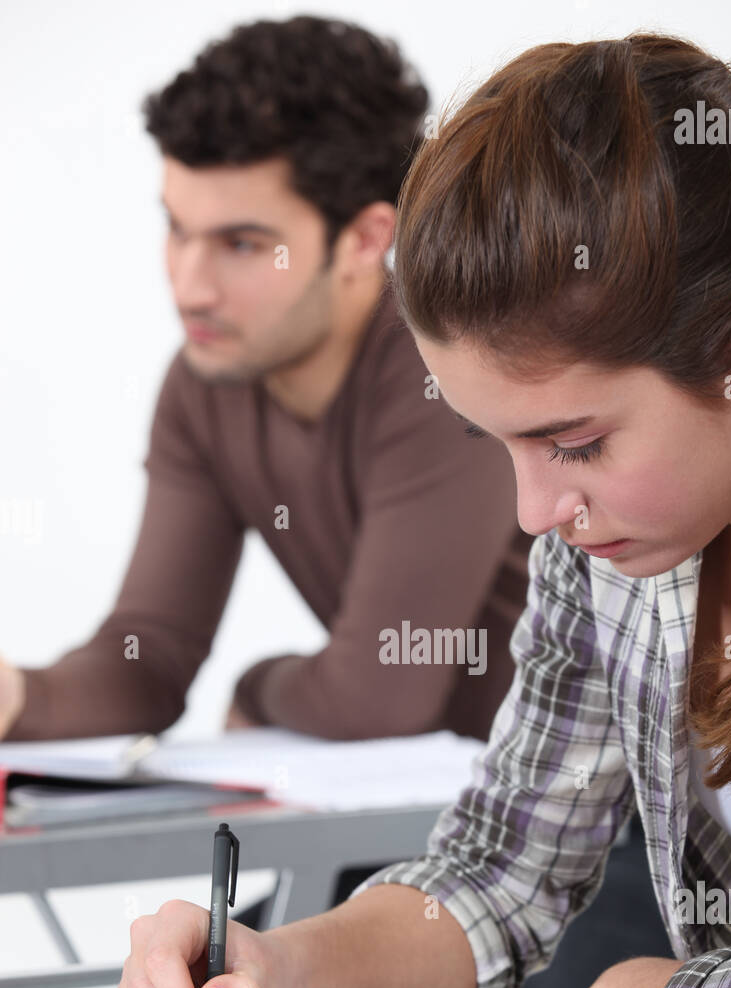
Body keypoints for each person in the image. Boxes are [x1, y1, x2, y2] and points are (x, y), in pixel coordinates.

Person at [116, 34, 731, 988]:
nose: (532, 510)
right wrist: (274, 966)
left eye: (575, 442)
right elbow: (501, 869)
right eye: (499, 442)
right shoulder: (618, 548)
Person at [0, 15, 530, 746]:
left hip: (630, 822)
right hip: (422, 818)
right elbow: (148, 656)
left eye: (242, 244)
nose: (190, 288)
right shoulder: (205, 384)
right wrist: (19, 696)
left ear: (366, 240)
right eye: (177, 229)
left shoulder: (444, 371)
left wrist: (256, 683)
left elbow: (374, 699)